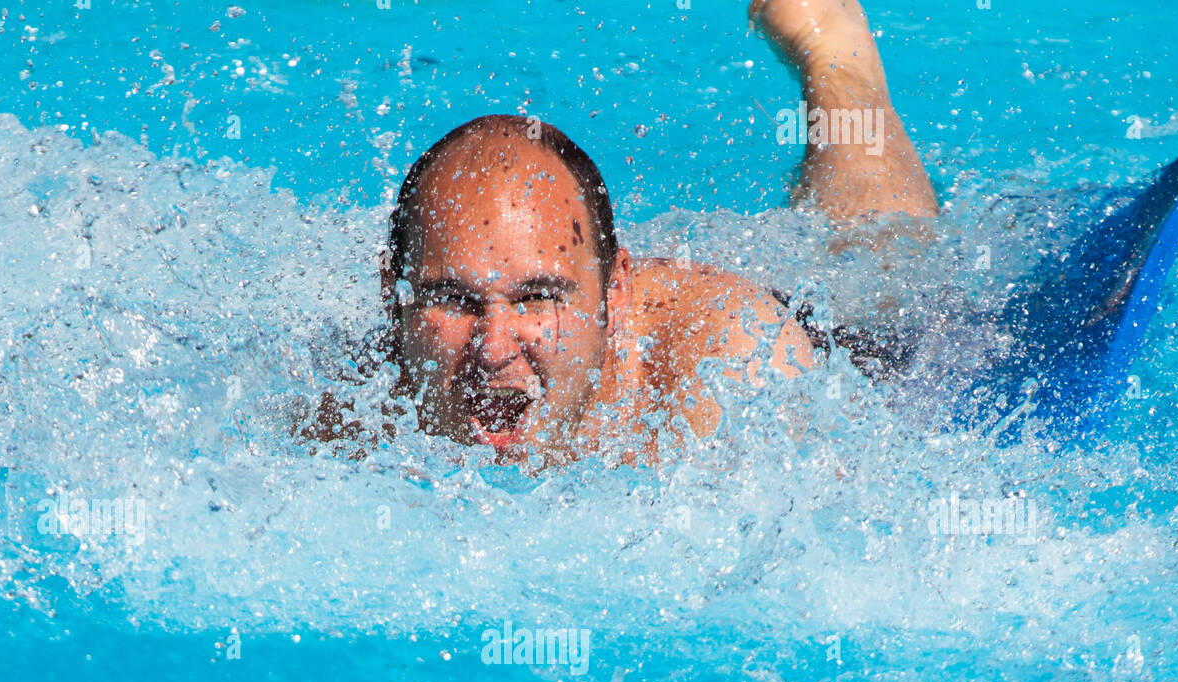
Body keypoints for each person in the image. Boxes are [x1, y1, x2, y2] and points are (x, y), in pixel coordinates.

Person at [297, 0, 938, 465]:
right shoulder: (349, 424)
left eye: (536, 298)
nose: (492, 349)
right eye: (453, 301)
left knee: (882, 262)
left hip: (855, 344)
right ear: (393, 296)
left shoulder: (730, 384)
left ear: (616, 293)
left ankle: (833, 47)